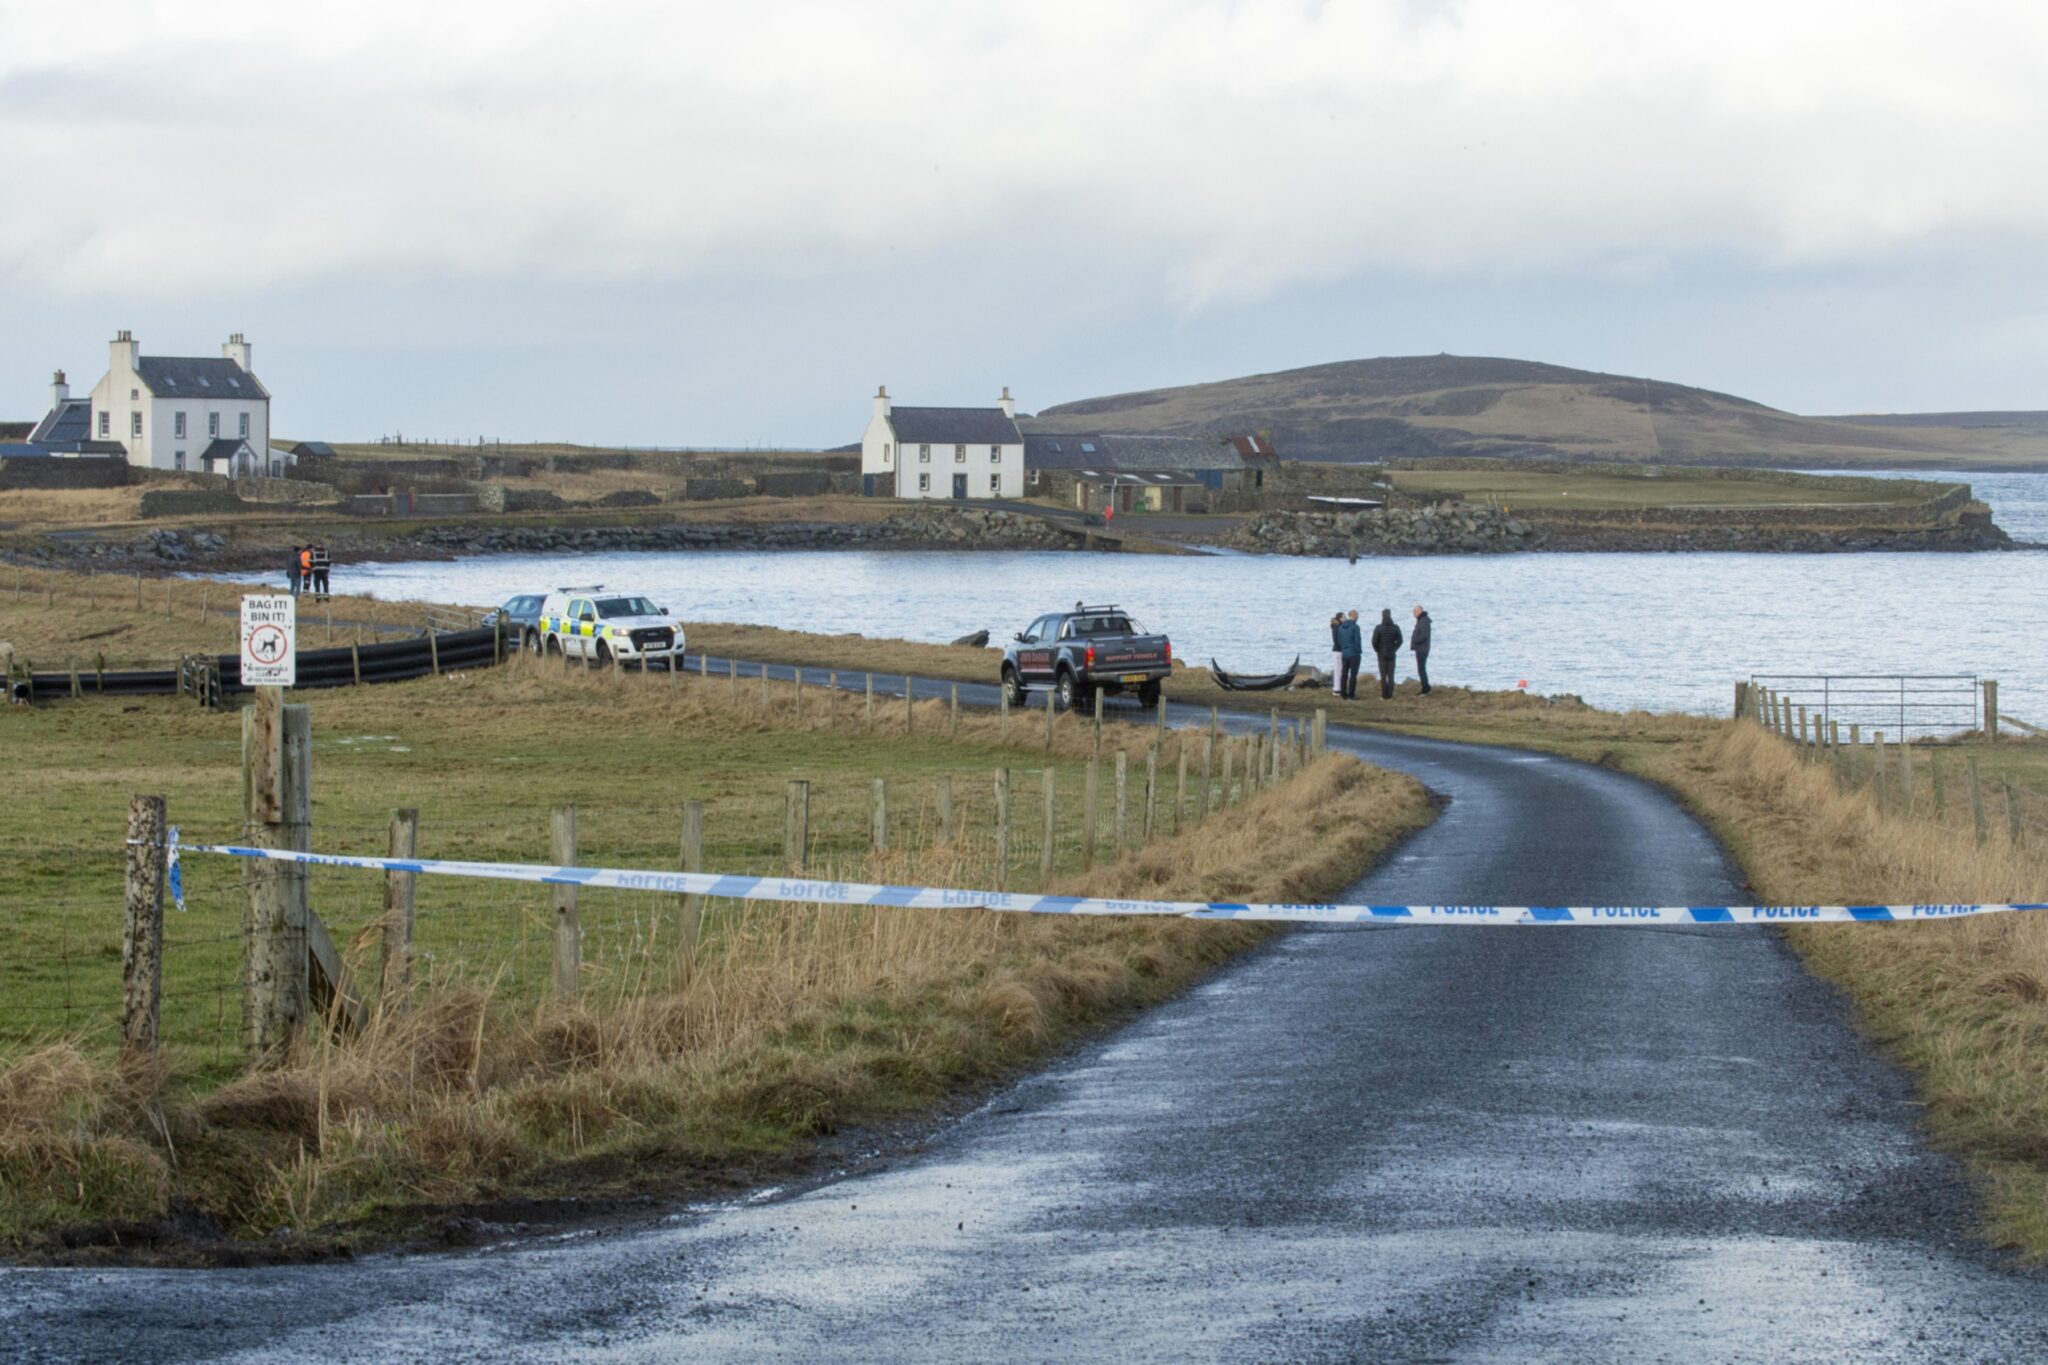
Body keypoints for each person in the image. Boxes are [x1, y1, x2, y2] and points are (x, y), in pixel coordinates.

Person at [1370, 608, 1403, 700]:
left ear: (1382, 616)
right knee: (1391, 675)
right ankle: (1390, 695)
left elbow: (1374, 641)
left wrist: (1378, 650)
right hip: (1392, 654)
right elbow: (1400, 641)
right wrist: (1394, 649)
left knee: (1383, 675)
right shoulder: (1395, 627)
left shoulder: (1378, 628)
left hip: (1381, 654)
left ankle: (1384, 695)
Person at [1336, 609, 1363, 701]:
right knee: (1353, 675)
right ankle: (1351, 695)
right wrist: (1359, 651)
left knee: (1344, 673)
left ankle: (1343, 694)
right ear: (1355, 617)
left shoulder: (1341, 627)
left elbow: (1339, 641)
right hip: (1354, 653)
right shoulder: (1355, 627)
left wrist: (1344, 648)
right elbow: (1357, 641)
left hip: (1345, 653)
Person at [1411, 604, 1433, 695]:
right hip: (1421, 648)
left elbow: (1424, 635)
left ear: (1419, 611)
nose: (1413, 614)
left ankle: (1425, 688)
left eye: (1415, 612)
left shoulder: (1423, 621)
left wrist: (1415, 640)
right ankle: (1425, 687)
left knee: (1421, 669)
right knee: (1421, 669)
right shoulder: (1421, 620)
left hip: (1422, 649)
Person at [1328, 612, 1345, 697]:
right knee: (1338, 670)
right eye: (1343, 617)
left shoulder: (1338, 627)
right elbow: (1336, 640)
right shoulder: (1337, 627)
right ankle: (1337, 689)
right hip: (1338, 650)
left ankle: (1339, 688)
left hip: (1339, 650)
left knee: (1340, 670)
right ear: (1340, 618)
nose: (1345, 619)